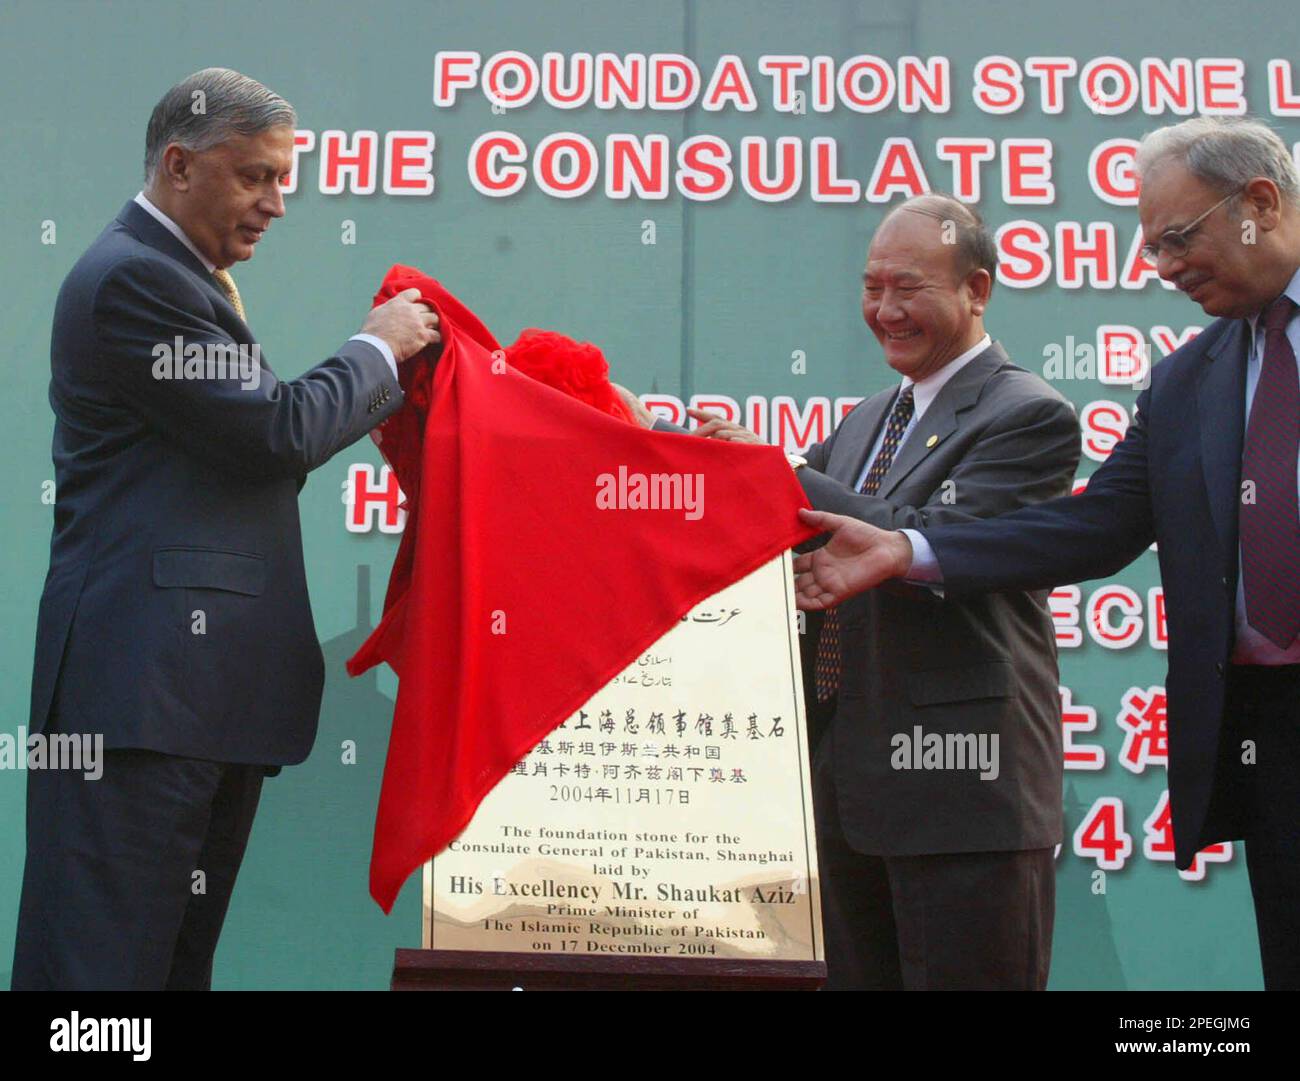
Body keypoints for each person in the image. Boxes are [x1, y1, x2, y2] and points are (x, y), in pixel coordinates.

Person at [792, 116, 1300, 991]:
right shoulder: (1191, 378)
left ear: (1260, 202)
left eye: (1179, 238)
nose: (1168, 268)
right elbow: (1091, 526)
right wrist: (906, 549)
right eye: (1152, 249)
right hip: (1272, 731)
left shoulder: (1017, 408)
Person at [12, 67, 439, 990]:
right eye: (255, 177)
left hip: (188, 706)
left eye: (284, 179)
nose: (278, 203)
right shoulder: (135, 279)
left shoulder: (175, 277)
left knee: (166, 971)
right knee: (104, 983)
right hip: (141, 707)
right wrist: (380, 347)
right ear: (178, 164)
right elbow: (275, 430)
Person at [623, 193, 1080, 989]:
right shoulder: (873, 417)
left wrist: (782, 476)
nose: (886, 310)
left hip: (959, 799)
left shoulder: (1028, 415)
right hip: (844, 785)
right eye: (872, 288)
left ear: (977, 290)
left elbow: (934, 538)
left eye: (909, 287)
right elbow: (798, 527)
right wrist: (658, 454)